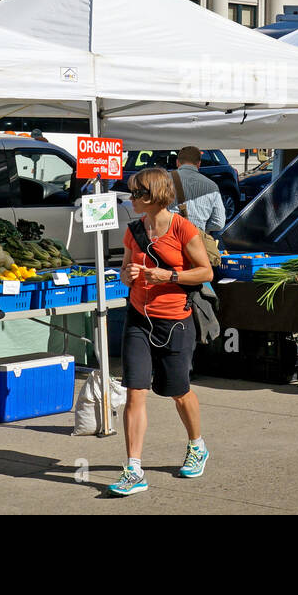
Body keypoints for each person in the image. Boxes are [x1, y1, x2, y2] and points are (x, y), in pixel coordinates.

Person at [110, 167, 214, 497]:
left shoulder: (183, 228)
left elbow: (205, 271)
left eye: (136, 193)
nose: (131, 199)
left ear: (154, 195)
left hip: (175, 320)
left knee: (177, 390)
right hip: (138, 317)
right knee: (135, 391)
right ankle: (133, 468)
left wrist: (166, 276)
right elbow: (126, 268)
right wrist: (127, 275)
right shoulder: (133, 230)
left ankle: (197, 445)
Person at [171, 146, 225, 233]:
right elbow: (219, 223)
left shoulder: (164, 181)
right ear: (199, 164)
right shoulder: (212, 186)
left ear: (177, 162)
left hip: (171, 240)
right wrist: (199, 228)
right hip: (197, 240)